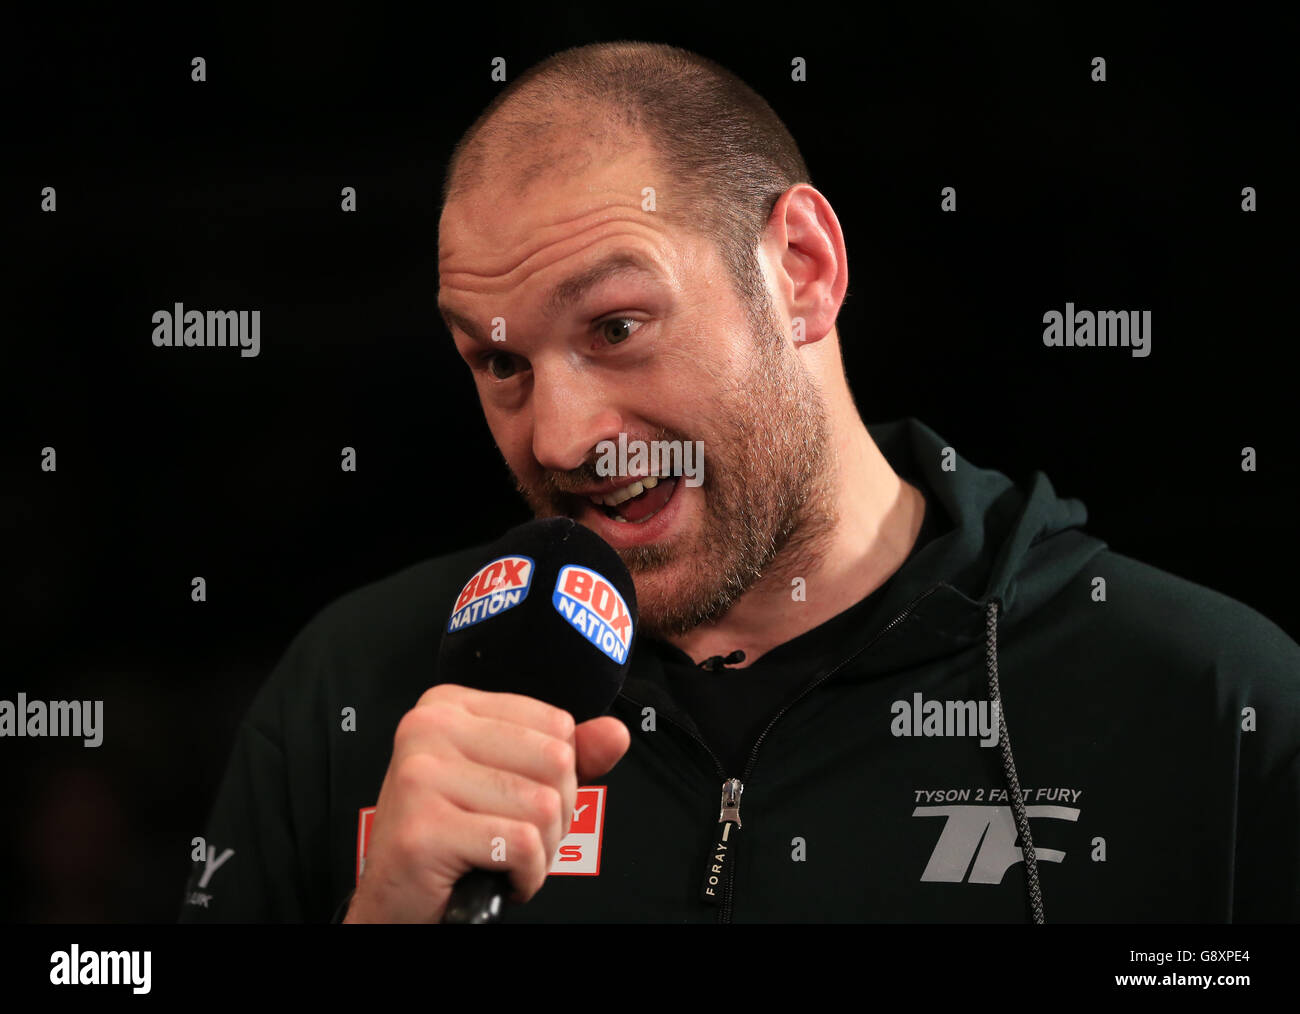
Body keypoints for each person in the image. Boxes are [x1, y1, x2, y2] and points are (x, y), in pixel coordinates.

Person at [180, 41, 1300, 924]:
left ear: (801, 273)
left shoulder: (1208, 700)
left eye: (617, 326)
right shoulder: (360, 686)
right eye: (501, 362)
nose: (561, 437)